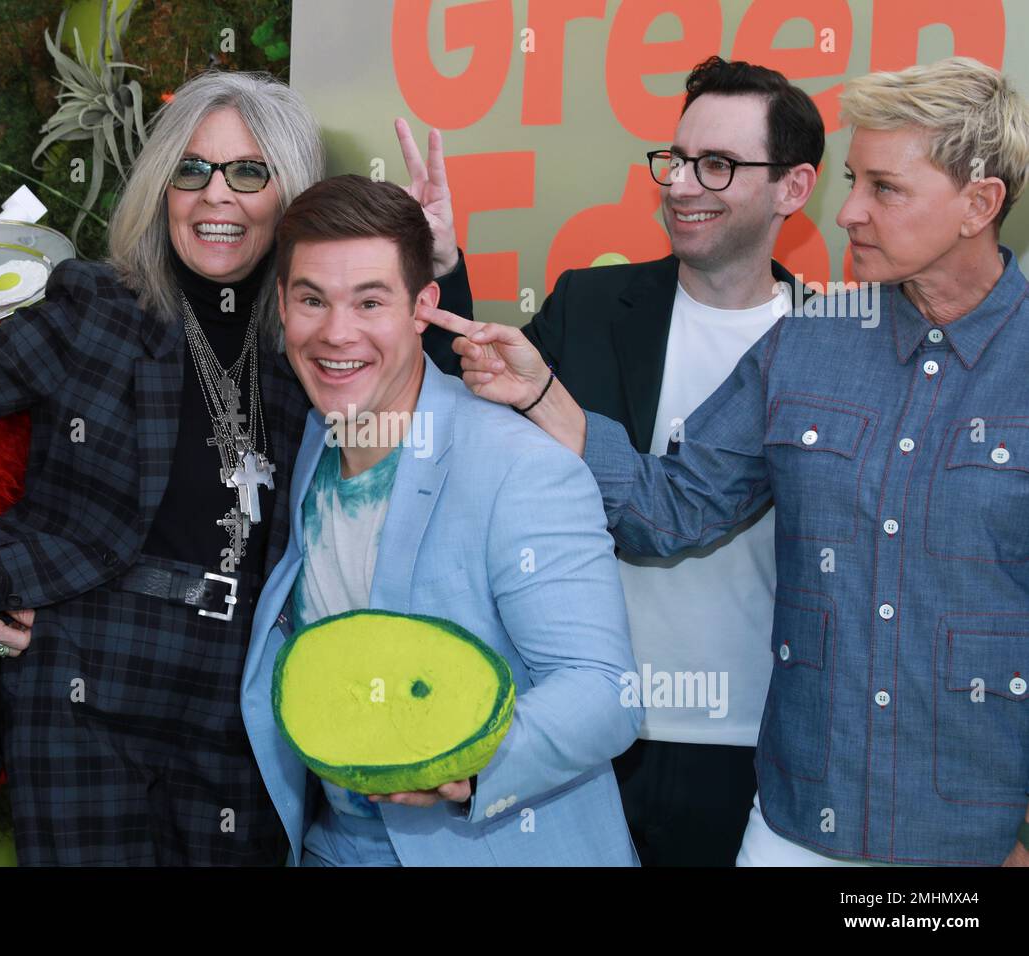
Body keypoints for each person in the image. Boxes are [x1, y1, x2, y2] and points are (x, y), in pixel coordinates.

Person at [0, 71, 470, 865]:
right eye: (191, 170)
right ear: (164, 190)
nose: (215, 196)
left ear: (287, 194)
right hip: (84, 674)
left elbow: (430, 420)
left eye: (248, 172)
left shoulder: (313, 341)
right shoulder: (97, 311)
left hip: (244, 692)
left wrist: (437, 263)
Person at [430, 56, 1029, 867]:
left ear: (979, 204)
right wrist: (544, 397)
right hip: (793, 826)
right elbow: (668, 509)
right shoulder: (808, 344)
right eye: (853, 180)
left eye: (884, 188)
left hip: (970, 839)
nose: (848, 211)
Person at [412, 56, 822, 866]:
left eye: (718, 165)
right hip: (579, 728)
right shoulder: (593, 304)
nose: (681, 186)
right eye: (674, 160)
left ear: (794, 188)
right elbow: (467, 408)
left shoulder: (834, 346)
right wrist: (434, 270)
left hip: (752, 747)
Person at [240, 174, 641, 866]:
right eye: (312, 299)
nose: (338, 333)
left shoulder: (517, 465)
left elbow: (608, 691)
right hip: (335, 847)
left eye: (371, 301)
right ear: (281, 303)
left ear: (423, 306)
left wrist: (468, 767)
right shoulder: (309, 438)